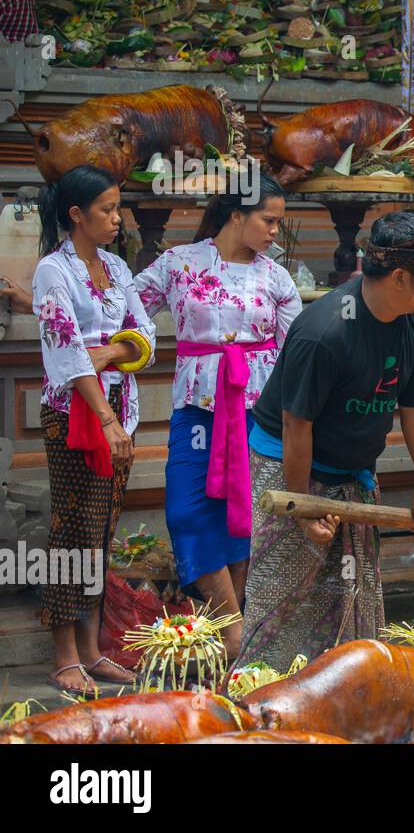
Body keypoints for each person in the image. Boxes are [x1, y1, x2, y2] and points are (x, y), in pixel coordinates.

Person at [235, 212, 414, 670]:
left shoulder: (413, 322)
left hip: (354, 472)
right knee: (284, 596)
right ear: (399, 278)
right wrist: (301, 506)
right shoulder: (324, 330)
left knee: (352, 597)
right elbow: (297, 426)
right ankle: (261, 703)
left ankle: (344, 703)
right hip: (291, 467)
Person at [133, 178, 301, 658]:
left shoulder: (277, 278)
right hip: (197, 407)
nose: (275, 231)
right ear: (235, 216)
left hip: (260, 411)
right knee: (186, 510)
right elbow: (125, 308)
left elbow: (296, 353)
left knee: (243, 517)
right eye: (268, 221)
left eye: (278, 222)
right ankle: (236, 628)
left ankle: (230, 639)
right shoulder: (178, 264)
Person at [33, 165, 156, 695]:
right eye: (106, 209)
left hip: (119, 413)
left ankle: (91, 650)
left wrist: (112, 349)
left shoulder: (116, 267)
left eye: (117, 207)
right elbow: (64, 346)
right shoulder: (51, 271)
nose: (116, 218)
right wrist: (102, 416)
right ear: (76, 214)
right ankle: (64, 655)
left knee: (101, 533)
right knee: (73, 532)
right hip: (75, 415)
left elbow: (145, 331)